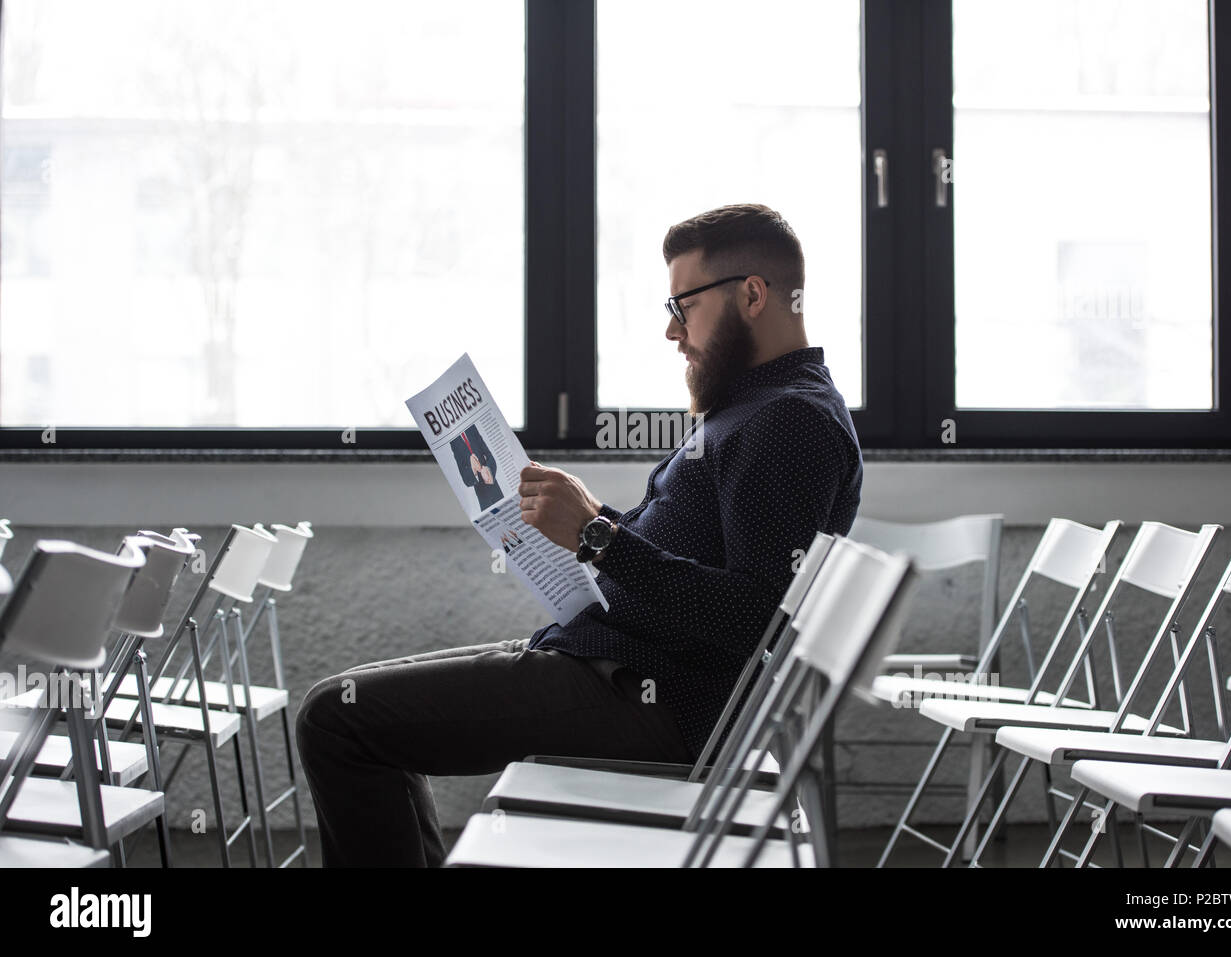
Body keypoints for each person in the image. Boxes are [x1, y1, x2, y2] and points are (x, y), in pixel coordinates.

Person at [296, 203, 864, 866]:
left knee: (339, 720)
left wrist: (598, 536)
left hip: (655, 699)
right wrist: (597, 521)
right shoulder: (759, 407)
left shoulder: (789, 421)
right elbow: (703, 562)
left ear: (753, 294)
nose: (670, 330)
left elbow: (749, 614)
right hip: (622, 669)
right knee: (345, 709)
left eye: (684, 305)